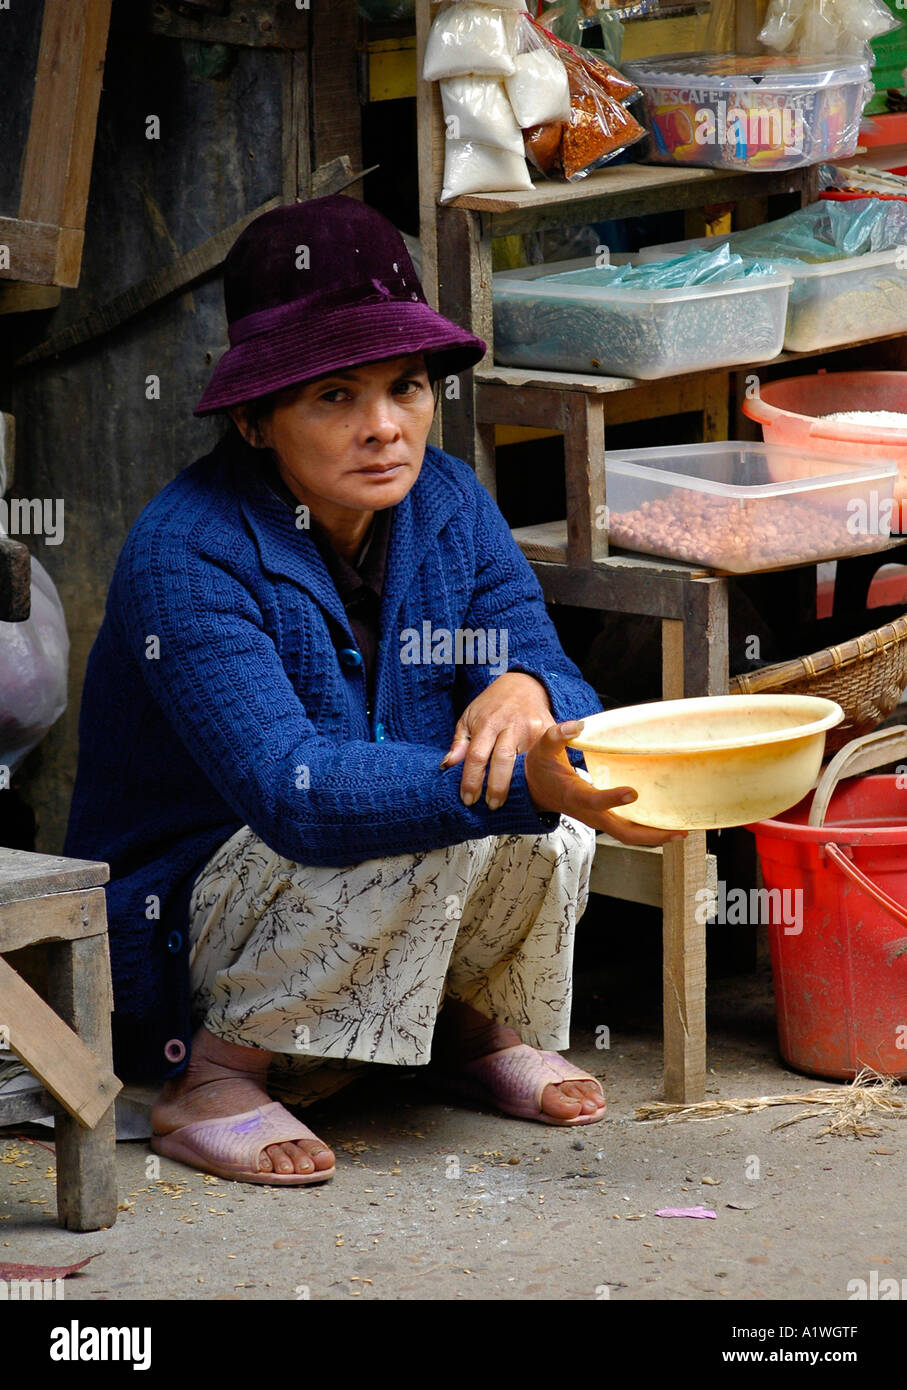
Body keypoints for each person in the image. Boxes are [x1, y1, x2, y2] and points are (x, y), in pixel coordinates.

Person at [63, 195, 683, 1187]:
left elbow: (556, 670)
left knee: (543, 817)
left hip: (358, 889)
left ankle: (465, 1030)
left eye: (406, 386)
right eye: (335, 397)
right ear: (257, 420)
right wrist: (520, 781)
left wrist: (526, 686)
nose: (385, 428)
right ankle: (213, 1076)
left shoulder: (443, 502)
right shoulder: (187, 554)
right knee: (451, 814)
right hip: (181, 925)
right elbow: (294, 791)